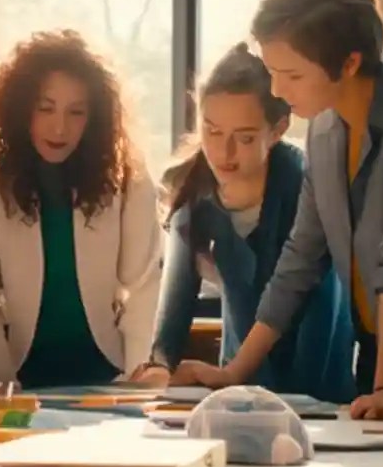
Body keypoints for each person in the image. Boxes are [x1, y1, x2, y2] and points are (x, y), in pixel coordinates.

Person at [171, 0, 383, 423]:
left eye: (292, 75)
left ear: (351, 62)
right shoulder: (323, 128)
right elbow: (301, 259)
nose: (278, 90)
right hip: (377, 366)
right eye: (273, 73)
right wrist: (234, 372)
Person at [131, 43, 355, 403]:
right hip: (235, 389)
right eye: (213, 132)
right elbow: (176, 299)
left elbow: (321, 310)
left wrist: (307, 403)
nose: (224, 153)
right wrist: (160, 363)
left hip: (319, 391)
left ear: (278, 129)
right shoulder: (194, 193)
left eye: (245, 138)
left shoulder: (308, 186)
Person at [0, 29, 162, 389]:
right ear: (21, 108)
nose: (59, 127)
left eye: (76, 112)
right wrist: (4, 385)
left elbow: (143, 283)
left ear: (95, 117)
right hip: (12, 371)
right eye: (45, 108)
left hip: (102, 373)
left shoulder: (128, 175)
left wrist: (136, 376)